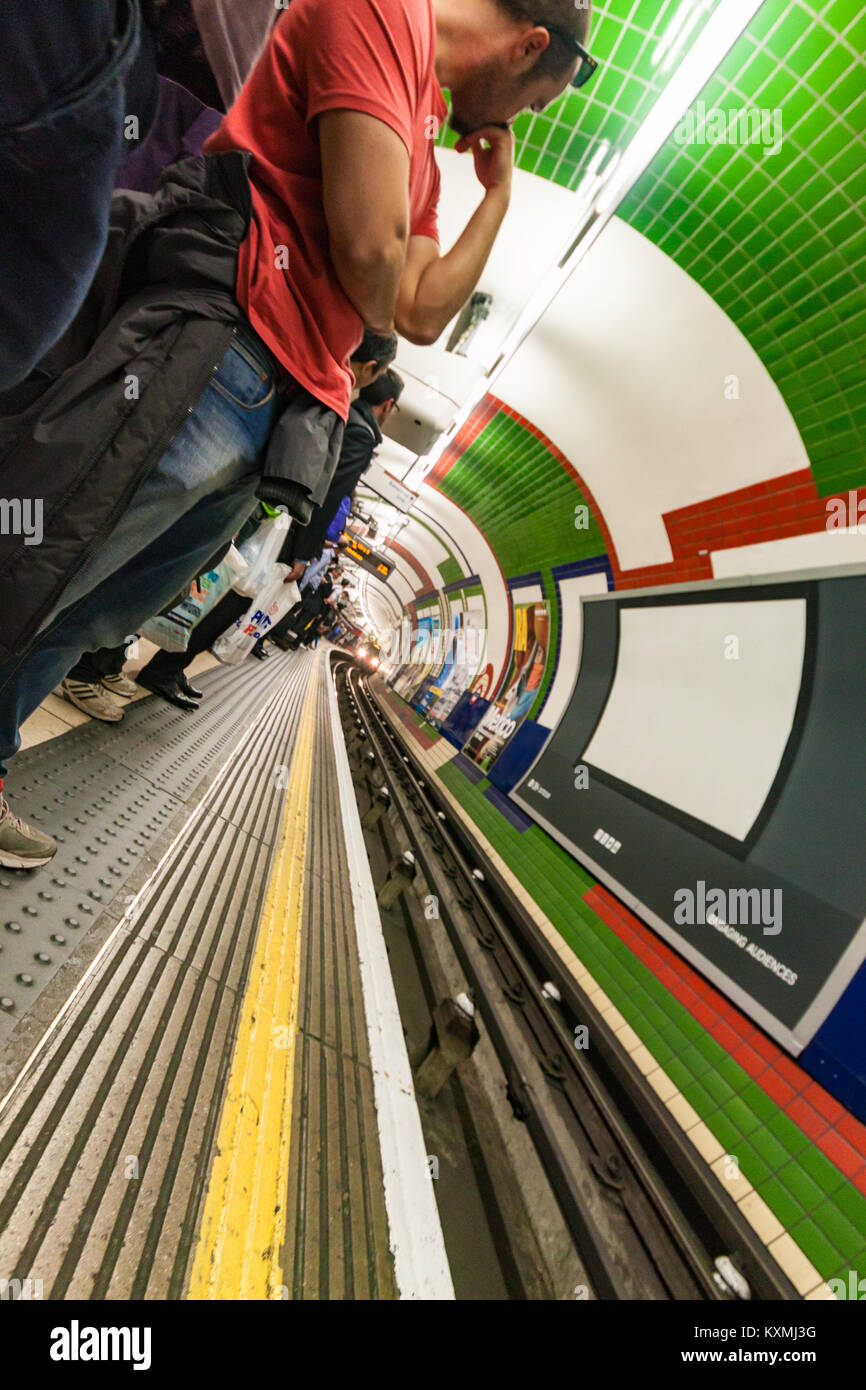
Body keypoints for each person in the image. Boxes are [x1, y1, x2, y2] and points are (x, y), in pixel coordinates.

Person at [0, 0, 595, 867]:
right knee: (48, 559)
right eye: (541, 98)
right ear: (530, 45)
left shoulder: (422, 157)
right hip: (227, 342)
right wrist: (385, 264)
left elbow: (419, 312)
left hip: (286, 416)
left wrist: (496, 199)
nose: (524, 119)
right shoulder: (381, 18)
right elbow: (367, 257)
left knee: (100, 607)